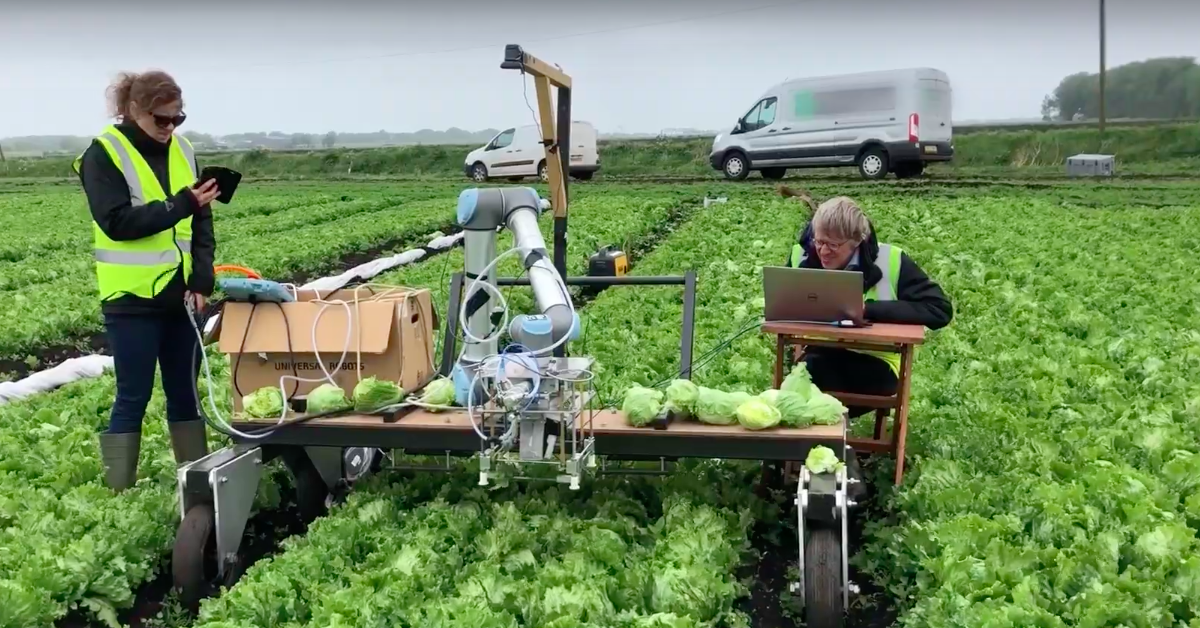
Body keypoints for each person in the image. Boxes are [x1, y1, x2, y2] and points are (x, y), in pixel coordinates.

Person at [72, 70, 220, 491]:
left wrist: (202, 279)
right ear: (134, 110)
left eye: (178, 119)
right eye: (161, 119)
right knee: (132, 397)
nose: (170, 128)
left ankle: (197, 484)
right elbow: (117, 222)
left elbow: (202, 219)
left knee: (186, 394)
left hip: (181, 298)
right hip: (131, 300)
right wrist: (182, 203)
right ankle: (120, 493)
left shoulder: (184, 150)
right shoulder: (104, 154)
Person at [781, 188, 952, 417]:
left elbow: (939, 310)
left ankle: (822, 440)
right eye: (819, 241)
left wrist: (869, 310)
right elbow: (782, 303)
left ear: (856, 242)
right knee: (809, 375)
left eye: (833, 245)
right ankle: (815, 442)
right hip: (820, 354)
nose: (823, 251)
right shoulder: (800, 256)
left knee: (812, 385)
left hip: (877, 361)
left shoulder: (891, 260)